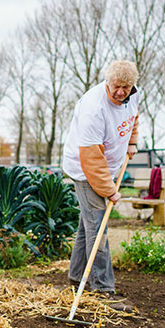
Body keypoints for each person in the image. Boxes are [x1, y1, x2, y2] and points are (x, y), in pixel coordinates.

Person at [61, 60, 140, 312]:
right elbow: (91, 159)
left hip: (105, 166)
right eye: (117, 86)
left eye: (126, 87)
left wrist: (132, 142)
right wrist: (110, 191)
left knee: (89, 224)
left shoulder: (133, 96)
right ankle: (103, 289)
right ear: (108, 82)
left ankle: (76, 277)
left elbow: (132, 118)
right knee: (98, 225)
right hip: (84, 169)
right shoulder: (94, 108)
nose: (121, 92)